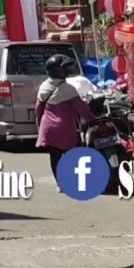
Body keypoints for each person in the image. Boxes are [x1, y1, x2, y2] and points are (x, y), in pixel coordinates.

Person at [36, 54, 95, 190]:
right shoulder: (69, 89)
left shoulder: (43, 86)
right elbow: (82, 109)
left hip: (48, 128)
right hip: (65, 129)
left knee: (54, 157)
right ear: (58, 71)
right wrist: (93, 119)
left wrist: (40, 128)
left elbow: (38, 109)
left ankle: (60, 184)